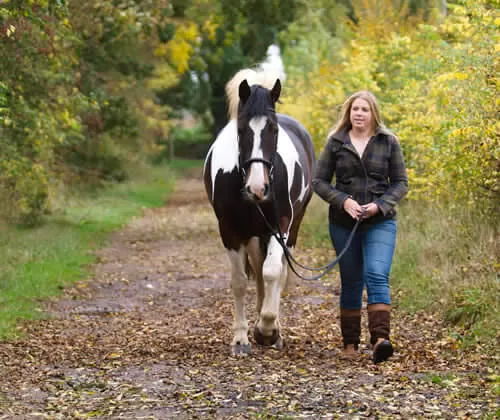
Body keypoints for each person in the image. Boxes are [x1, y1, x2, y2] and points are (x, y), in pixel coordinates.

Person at [312, 91, 408, 363]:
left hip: (380, 222)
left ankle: (380, 339)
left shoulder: (389, 142)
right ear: (348, 112)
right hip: (343, 223)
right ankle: (350, 344)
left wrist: (380, 205)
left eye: (364, 109)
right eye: (355, 109)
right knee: (352, 281)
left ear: (373, 113)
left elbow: (401, 183)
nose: (359, 113)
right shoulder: (335, 142)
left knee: (377, 273)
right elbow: (318, 182)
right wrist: (343, 201)